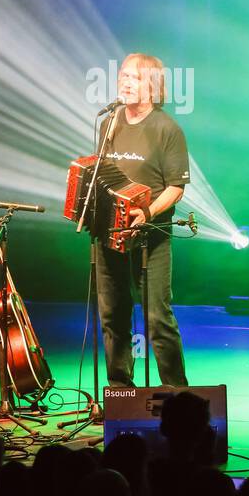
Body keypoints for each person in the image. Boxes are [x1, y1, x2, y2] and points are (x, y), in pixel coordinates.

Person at [94, 52, 190, 388]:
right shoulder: (110, 123)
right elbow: (101, 175)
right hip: (109, 234)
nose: (125, 82)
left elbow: (176, 188)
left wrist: (146, 212)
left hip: (152, 236)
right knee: (113, 316)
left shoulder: (167, 129)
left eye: (133, 77)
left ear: (151, 84)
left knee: (157, 317)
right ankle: (120, 391)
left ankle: (177, 394)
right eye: (122, 76)